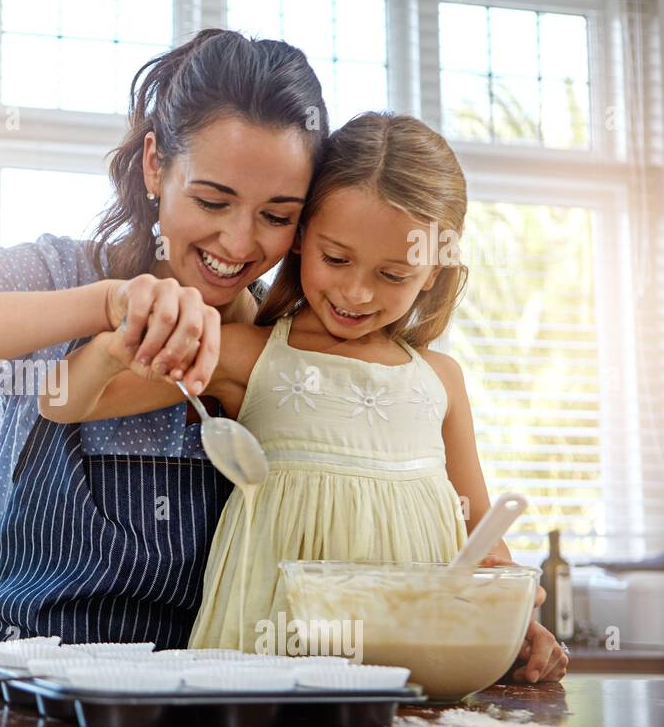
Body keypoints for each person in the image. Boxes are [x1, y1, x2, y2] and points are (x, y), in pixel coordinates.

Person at [0, 29, 327, 656]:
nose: (238, 243)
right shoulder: (57, 275)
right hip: (15, 697)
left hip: (199, 703)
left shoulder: (282, 343)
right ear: (155, 164)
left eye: (276, 216)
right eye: (211, 200)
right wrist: (104, 303)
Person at [43, 112, 568, 683]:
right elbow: (64, 400)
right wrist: (120, 340)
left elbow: (481, 537)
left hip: (422, 663)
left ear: (434, 273)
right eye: (335, 258)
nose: (355, 291)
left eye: (393, 274)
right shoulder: (249, 353)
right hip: (270, 653)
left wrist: (518, 621)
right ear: (298, 242)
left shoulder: (441, 380)